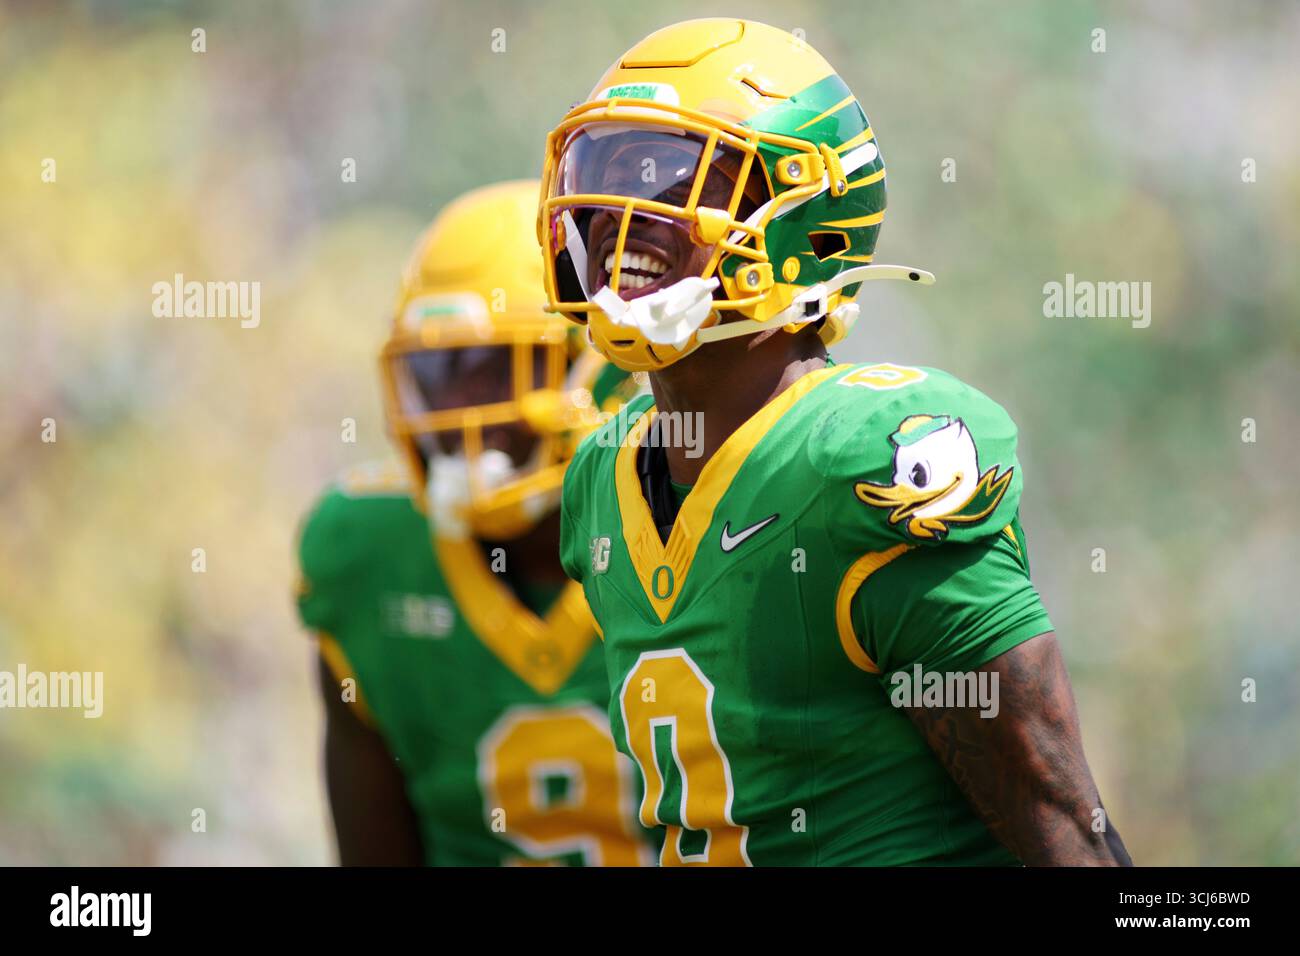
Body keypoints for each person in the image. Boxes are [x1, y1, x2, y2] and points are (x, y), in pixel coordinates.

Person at [541, 19, 1131, 865]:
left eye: (671, 175)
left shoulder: (868, 463)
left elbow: (1063, 824)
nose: (618, 216)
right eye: (604, 173)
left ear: (810, 227)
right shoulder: (602, 479)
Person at [296, 180, 648, 865]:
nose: (462, 412)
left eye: (494, 369)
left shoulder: (695, 521)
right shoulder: (367, 557)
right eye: (439, 375)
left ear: (599, 368)